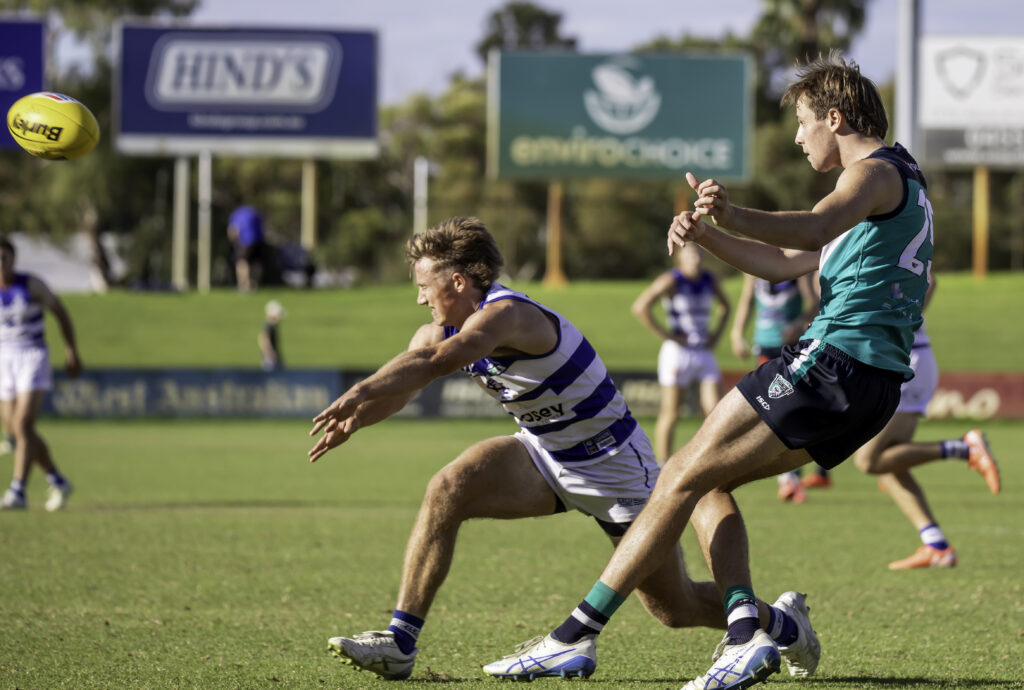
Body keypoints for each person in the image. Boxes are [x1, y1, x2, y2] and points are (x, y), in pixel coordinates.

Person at [486, 52, 930, 688]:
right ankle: (757, 630)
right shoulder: (891, 188)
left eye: (804, 122)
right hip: (867, 382)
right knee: (701, 480)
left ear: (835, 117)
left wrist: (730, 211)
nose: (799, 136)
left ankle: (574, 636)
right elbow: (783, 262)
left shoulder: (875, 174)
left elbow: (811, 228)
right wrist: (706, 237)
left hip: (834, 362)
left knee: (680, 475)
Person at [307, 217, 811, 682]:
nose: (420, 300)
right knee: (448, 486)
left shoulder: (508, 315)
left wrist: (357, 390)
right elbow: (404, 383)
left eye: (424, 286)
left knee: (674, 609)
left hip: (616, 467)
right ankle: (400, 641)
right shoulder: (437, 330)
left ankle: (783, 625)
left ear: (458, 281)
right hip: (545, 457)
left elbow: (441, 360)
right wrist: (358, 418)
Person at [853, 278, 1000, 569]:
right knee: (891, 464)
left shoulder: (878, 243)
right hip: (899, 362)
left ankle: (964, 449)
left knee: (869, 461)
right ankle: (936, 545)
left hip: (905, 363)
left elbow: (930, 281)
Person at [729, 273, 829, 502]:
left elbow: (814, 301)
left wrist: (799, 322)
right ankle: (788, 478)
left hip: (793, 348)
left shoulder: (793, 267)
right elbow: (746, 300)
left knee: (794, 410)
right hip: (765, 346)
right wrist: (737, 333)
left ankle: (791, 477)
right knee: (773, 410)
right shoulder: (753, 268)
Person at [0, 236, 82, 511]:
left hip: (32, 355)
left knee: (22, 424)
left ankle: (18, 490)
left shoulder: (31, 285)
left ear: (13, 260)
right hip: (4, 358)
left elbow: (61, 313)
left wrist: (71, 351)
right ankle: (57, 479)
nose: (0, 264)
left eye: (4, 258)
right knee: (16, 429)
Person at [632, 242, 730, 462]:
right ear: (681, 259)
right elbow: (641, 307)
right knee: (672, 413)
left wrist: (716, 335)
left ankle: (711, 461)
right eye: (691, 254)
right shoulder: (672, 279)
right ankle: (663, 466)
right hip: (677, 353)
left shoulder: (710, 280)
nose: (696, 258)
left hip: (703, 351)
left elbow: (725, 307)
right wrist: (668, 336)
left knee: (715, 412)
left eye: (698, 254)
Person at [227, 204, 266, 292]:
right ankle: (254, 285)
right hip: (258, 241)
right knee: (256, 262)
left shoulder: (236, 214)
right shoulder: (256, 213)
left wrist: (233, 242)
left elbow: (233, 229)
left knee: (242, 261)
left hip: (244, 241)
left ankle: (243, 285)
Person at [258, 300, 285, 371]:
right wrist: (271, 354)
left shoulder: (271, 326)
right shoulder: (269, 326)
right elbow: (263, 339)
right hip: (271, 359)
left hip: (271, 357)